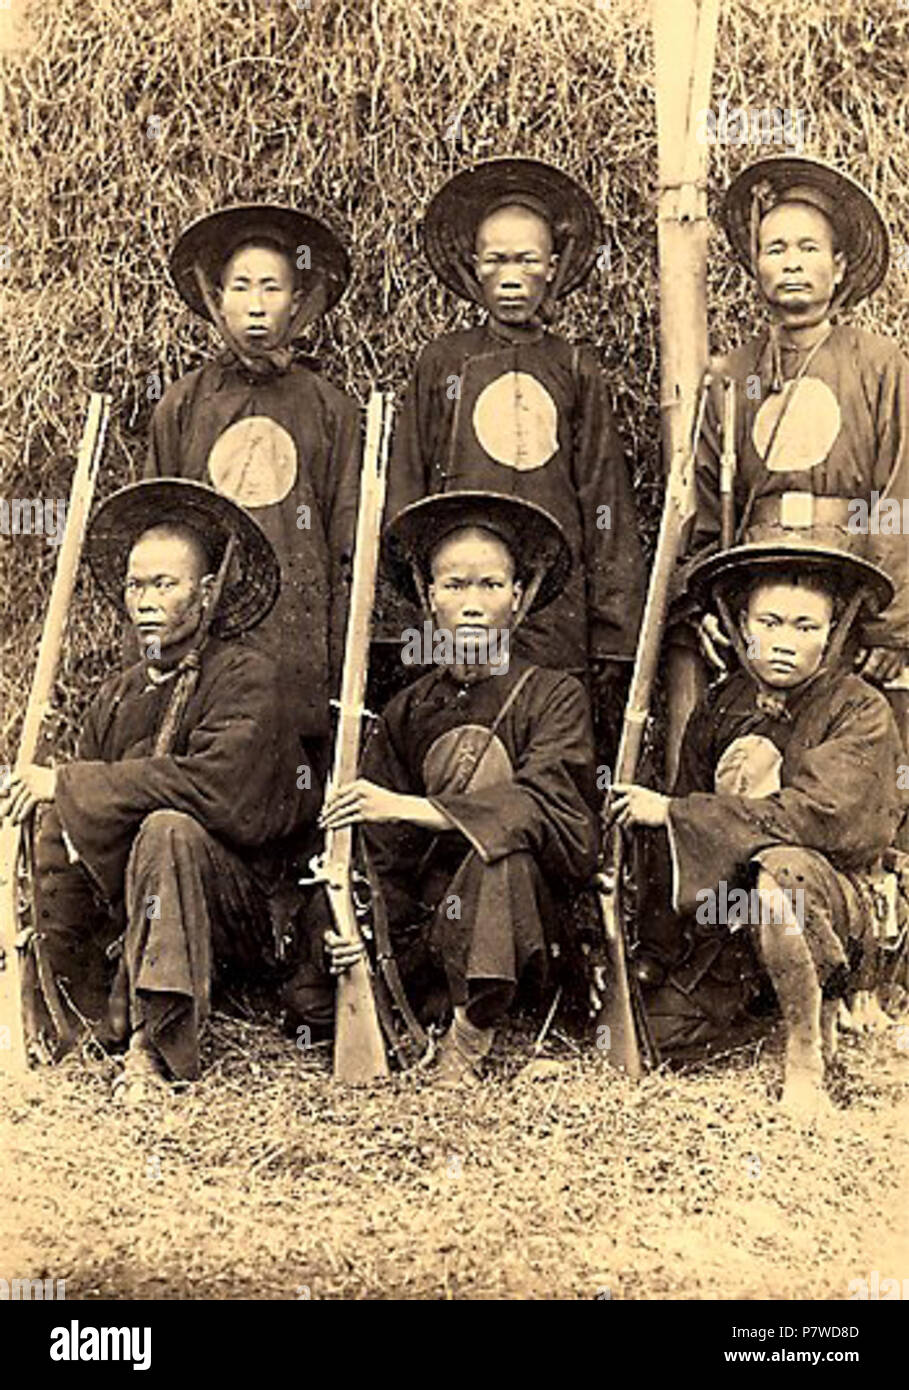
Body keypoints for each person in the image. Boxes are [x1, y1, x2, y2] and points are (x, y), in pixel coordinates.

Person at [1, 479, 321, 1100]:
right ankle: (74, 1012)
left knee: (167, 828)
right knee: (52, 818)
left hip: (242, 913)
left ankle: (157, 1045)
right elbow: (76, 807)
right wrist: (58, 806)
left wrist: (69, 783)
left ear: (206, 594)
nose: (144, 600)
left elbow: (215, 787)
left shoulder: (248, 679)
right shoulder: (118, 695)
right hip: (137, 907)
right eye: (135, 585)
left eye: (164, 585)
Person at [615, 525, 907, 1122]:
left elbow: (822, 817)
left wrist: (675, 812)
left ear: (832, 634)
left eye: (805, 627)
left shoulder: (860, 710)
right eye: (769, 622)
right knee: (662, 1035)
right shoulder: (718, 706)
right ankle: (767, 1007)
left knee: (782, 877)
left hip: (828, 900)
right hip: (730, 911)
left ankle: (806, 1056)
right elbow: (685, 829)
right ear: (743, 626)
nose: (783, 641)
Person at [312, 491, 600, 1083]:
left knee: (502, 857)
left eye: (490, 586)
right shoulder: (406, 711)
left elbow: (548, 810)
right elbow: (380, 856)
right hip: (435, 933)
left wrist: (420, 810)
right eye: (454, 586)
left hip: (526, 933)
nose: (472, 604)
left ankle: (468, 1043)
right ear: (429, 598)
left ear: (518, 599)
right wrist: (356, 936)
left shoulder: (555, 697)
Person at [383, 158, 645, 766]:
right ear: (473, 267)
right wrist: (410, 621)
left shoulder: (577, 368)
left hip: (554, 614)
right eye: (495, 259)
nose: (511, 276)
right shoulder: (441, 364)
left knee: (545, 748)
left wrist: (613, 633)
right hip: (459, 607)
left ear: (553, 269)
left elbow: (605, 502)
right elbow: (405, 496)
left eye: (528, 260)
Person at [670, 154, 909, 777]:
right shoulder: (730, 375)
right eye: (776, 248)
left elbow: (900, 493)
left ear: (839, 265)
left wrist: (890, 627)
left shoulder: (881, 365)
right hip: (761, 583)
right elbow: (701, 505)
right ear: (755, 265)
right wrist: (707, 606)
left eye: (809, 248)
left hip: (854, 587)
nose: (793, 263)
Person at [146, 203, 362, 747]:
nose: (257, 306)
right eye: (241, 287)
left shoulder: (331, 410)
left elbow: (347, 542)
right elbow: (155, 536)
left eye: (273, 288)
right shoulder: (183, 404)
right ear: (217, 300)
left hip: (296, 631)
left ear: (299, 301)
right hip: (206, 630)